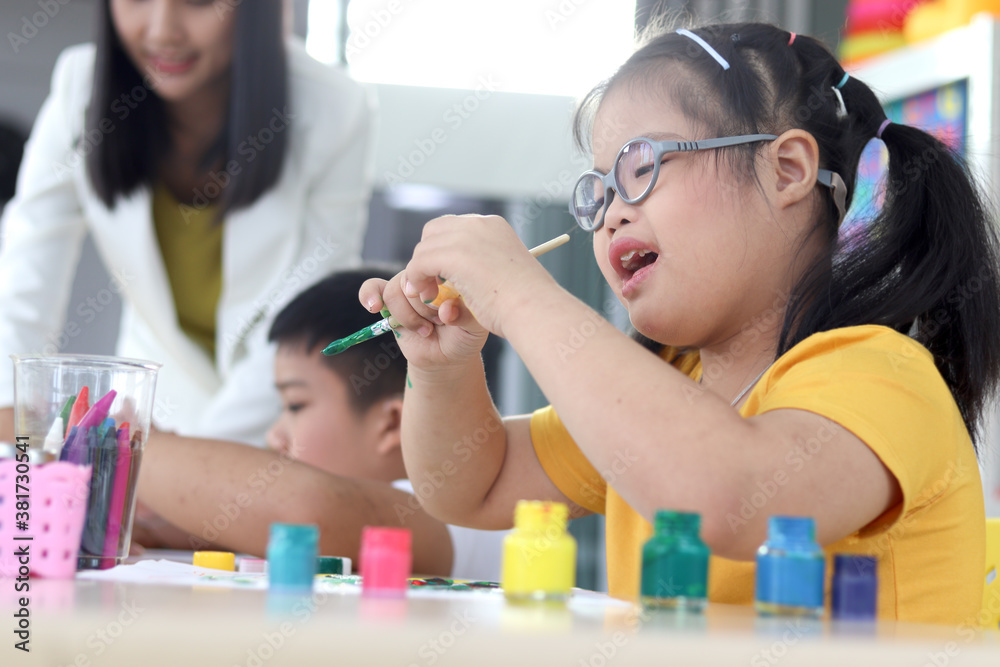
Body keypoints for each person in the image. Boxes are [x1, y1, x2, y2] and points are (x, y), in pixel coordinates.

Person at [361, 21, 1000, 624]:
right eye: (599, 190)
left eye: (641, 168)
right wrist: (441, 366)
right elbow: (470, 485)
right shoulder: (666, 386)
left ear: (786, 171)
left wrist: (522, 297)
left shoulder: (883, 373)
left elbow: (731, 498)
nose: (610, 213)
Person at [0, 0, 373, 445]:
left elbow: (301, 324)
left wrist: (195, 470)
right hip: (147, 411)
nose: (162, 31)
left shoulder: (335, 108)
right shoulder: (79, 87)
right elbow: (24, 283)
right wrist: (15, 431)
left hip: (269, 424)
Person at [135, 267, 507, 581]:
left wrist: (133, 446)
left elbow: (310, 512)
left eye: (296, 405)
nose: (274, 435)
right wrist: (153, 531)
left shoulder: (459, 505)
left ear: (391, 424)